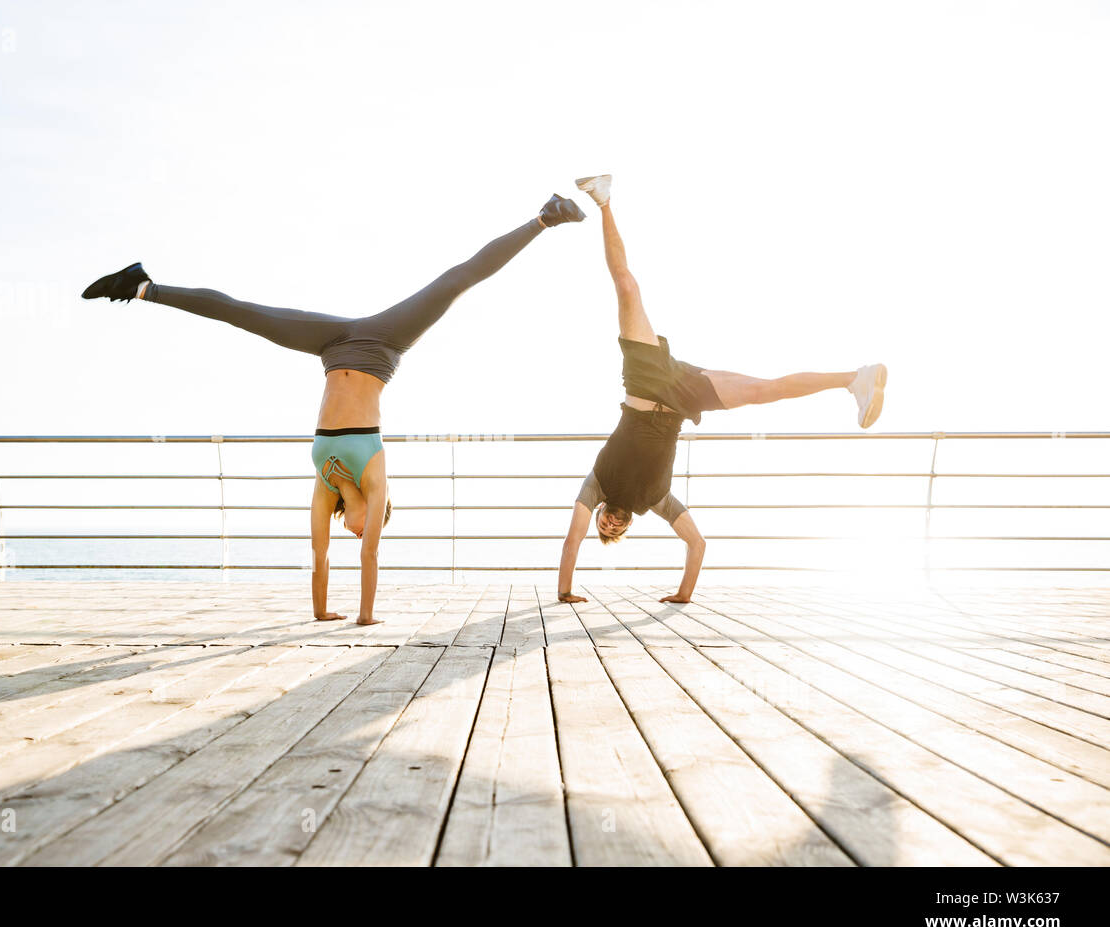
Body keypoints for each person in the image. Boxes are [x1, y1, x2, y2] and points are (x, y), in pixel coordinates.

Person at [83, 193, 585, 624]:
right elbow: (371, 555)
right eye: (368, 529)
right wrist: (366, 615)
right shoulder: (375, 477)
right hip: (384, 341)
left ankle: (141, 288)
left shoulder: (328, 486)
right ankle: (545, 216)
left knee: (244, 316)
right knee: (456, 281)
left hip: (333, 345)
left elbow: (319, 553)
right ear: (378, 515)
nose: (359, 534)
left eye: (359, 529)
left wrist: (321, 611)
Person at [557, 175, 886, 605]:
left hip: (647, 380)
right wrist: (683, 596)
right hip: (685, 397)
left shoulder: (597, 485)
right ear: (629, 525)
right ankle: (854, 378)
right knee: (767, 390)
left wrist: (565, 592)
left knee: (626, 286)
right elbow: (697, 544)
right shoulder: (657, 500)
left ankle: (604, 200)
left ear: (600, 512)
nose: (611, 525)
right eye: (615, 530)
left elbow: (572, 540)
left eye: (604, 524)